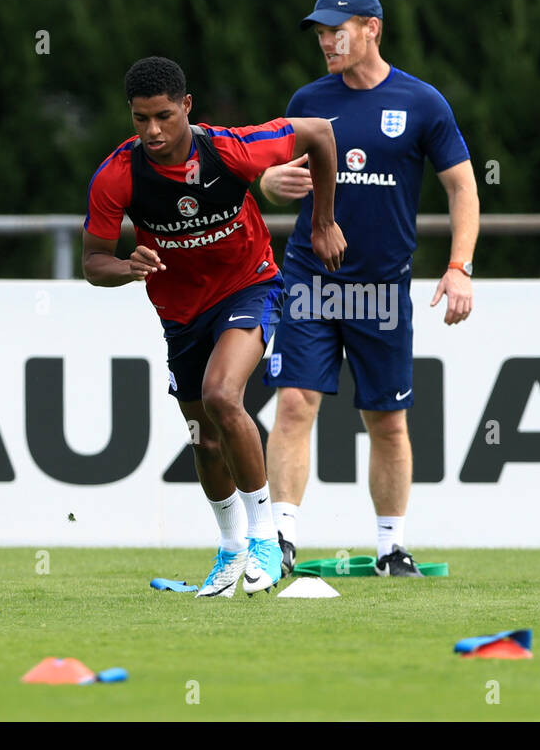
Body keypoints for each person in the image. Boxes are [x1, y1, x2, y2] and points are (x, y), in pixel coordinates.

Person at [82, 56, 346, 597]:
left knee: (224, 396)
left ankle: (267, 539)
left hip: (249, 286)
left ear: (187, 106)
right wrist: (127, 268)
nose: (153, 131)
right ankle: (229, 553)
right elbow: (92, 263)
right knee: (203, 436)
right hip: (180, 312)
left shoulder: (230, 149)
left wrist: (322, 221)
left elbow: (319, 134)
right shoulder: (116, 176)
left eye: (163, 116)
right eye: (140, 119)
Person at [255, 0, 479, 577]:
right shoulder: (308, 98)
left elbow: (462, 186)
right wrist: (270, 185)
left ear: (372, 28)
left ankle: (390, 547)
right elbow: (274, 173)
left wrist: (459, 266)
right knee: (296, 403)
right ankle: (280, 540)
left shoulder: (423, 102)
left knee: (386, 418)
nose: (327, 41)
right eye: (322, 32)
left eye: (338, 30)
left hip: (382, 289)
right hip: (310, 277)